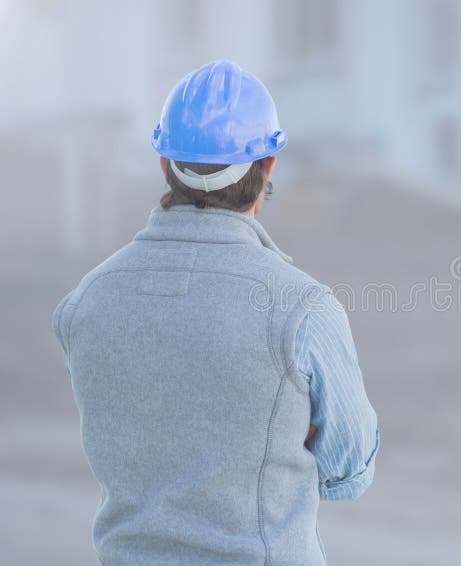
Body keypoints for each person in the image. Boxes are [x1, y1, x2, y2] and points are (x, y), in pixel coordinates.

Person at [51, 59, 379, 566]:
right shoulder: (304, 311)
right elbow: (348, 472)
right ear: (268, 165)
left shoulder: (85, 303)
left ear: (164, 163)